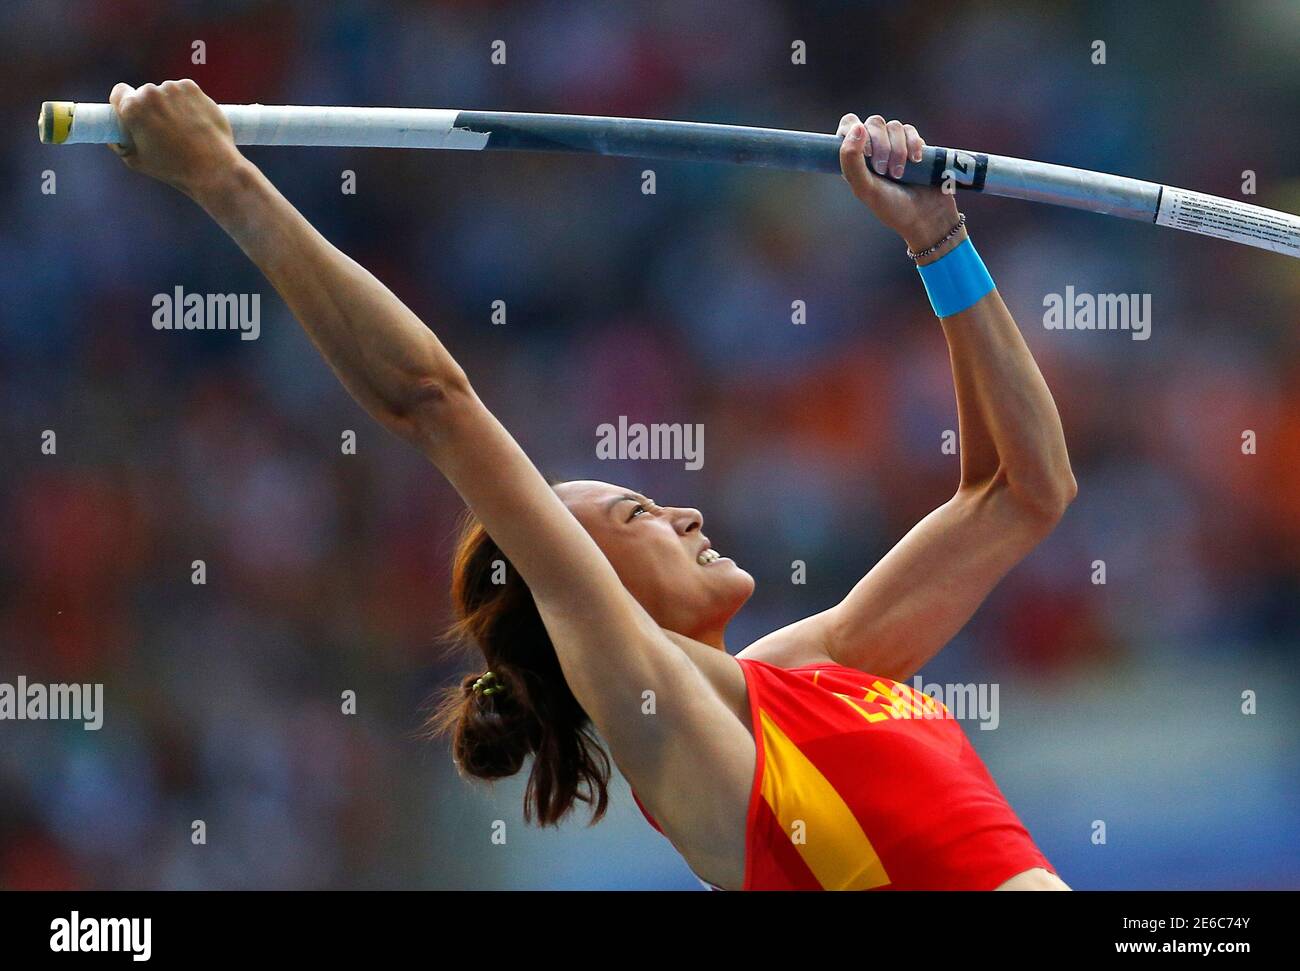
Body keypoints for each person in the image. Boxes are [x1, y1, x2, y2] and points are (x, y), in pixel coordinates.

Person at [107, 79, 1075, 890]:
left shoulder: (810, 672)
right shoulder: (671, 725)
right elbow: (432, 401)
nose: (684, 511)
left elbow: (1025, 489)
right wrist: (222, 176)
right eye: (638, 514)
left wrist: (936, 237)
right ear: (590, 589)